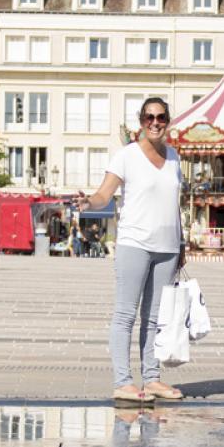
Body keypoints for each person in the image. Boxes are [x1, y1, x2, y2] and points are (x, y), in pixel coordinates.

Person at [83, 96, 186, 406]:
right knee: (126, 314)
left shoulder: (175, 158)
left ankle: (151, 378)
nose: (155, 123)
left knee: (155, 318)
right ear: (141, 122)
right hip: (135, 243)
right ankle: (123, 381)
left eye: (161, 118)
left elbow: (174, 204)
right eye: (149, 118)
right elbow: (104, 194)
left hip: (167, 247)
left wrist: (181, 243)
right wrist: (88, 203)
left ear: (168, 121)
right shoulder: (126, 156)